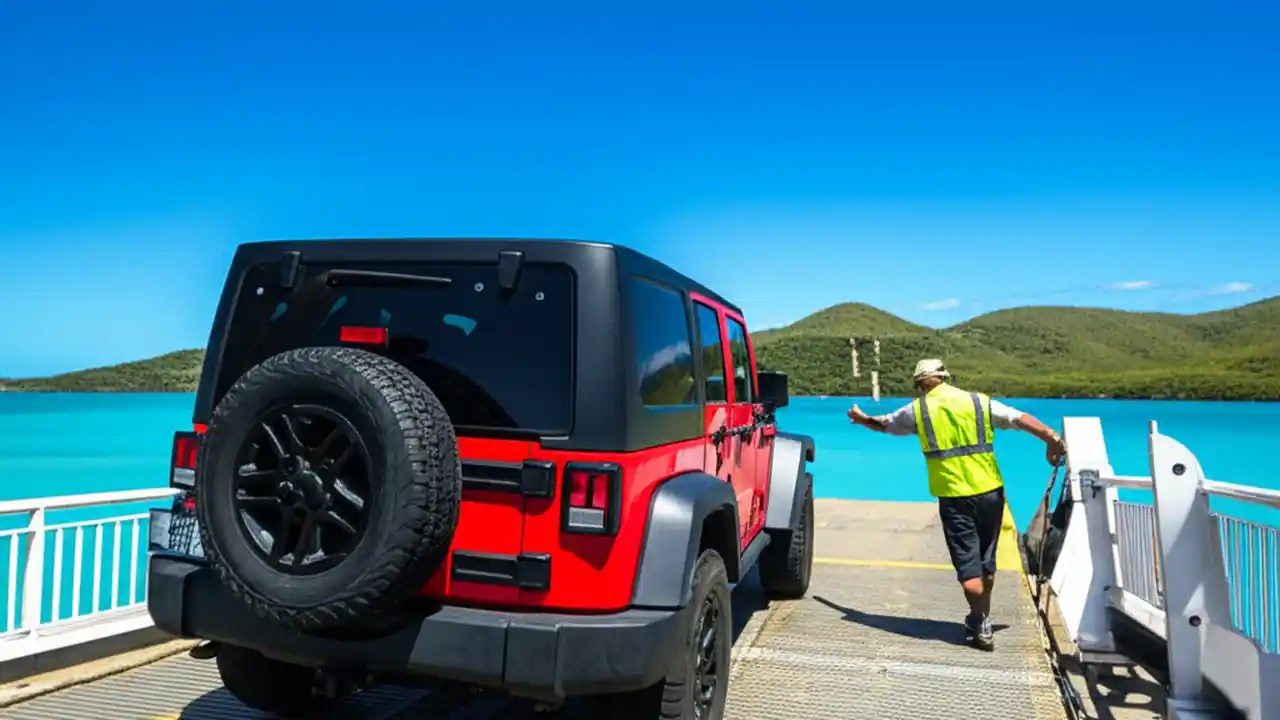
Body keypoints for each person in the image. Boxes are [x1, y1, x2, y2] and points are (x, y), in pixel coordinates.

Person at [846, 358, 1065, 651]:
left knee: (969, 572)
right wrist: (1052, 439)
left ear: (921, 384)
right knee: (987, 563)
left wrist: (861, 419)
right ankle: (983, 616)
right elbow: (1019, 418)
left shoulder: (918, 410)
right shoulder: (977, 402)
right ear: (945, 377)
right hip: (990, 491)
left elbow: (884, 424)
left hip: (954, 497)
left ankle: (979, 619)